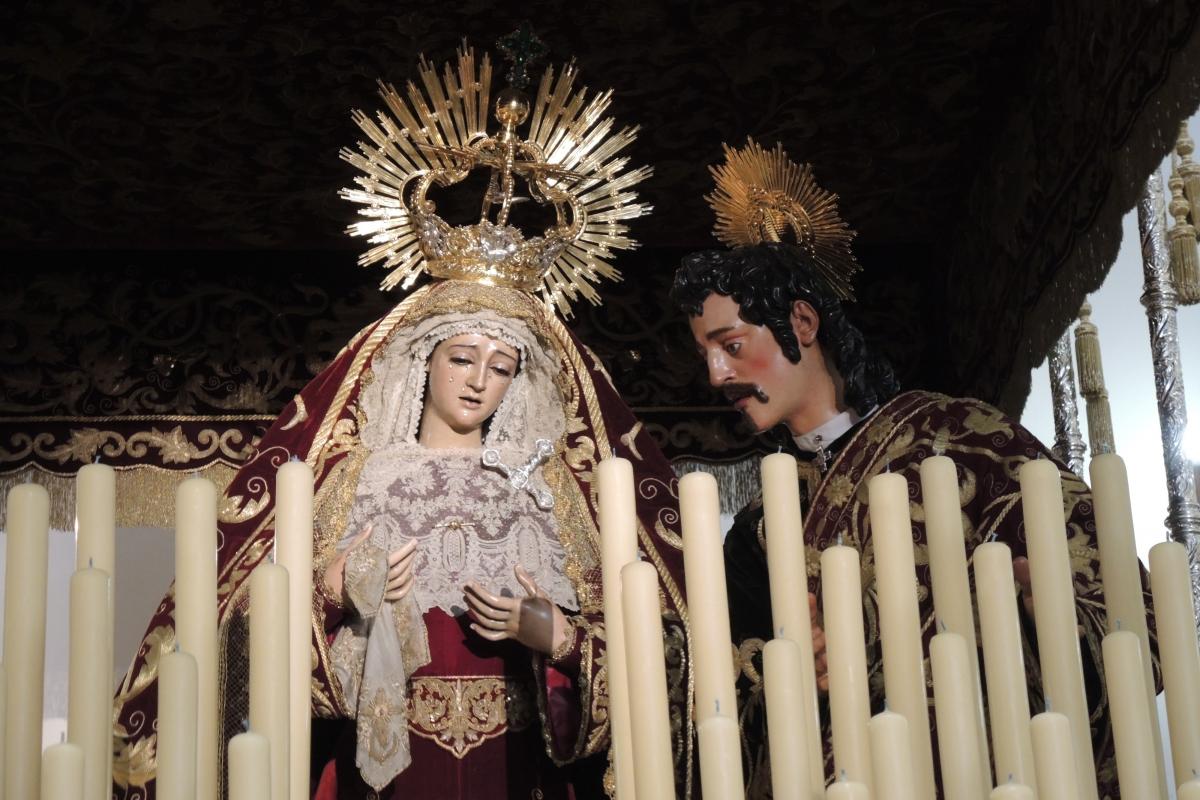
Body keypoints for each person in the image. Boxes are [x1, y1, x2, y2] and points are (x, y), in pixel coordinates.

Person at [112, 38, 697, 800]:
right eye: (462, 358)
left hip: (518, 777)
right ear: (423, 361)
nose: (479, 382)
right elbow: (239, 636)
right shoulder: (352, 478)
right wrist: (330, 587)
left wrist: (551, 635)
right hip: (383, 776)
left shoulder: (556, 495)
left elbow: (662, 660)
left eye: (502, 366)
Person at [669, 139, 1160, 798]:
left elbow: (1117, 605)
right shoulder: (759, 533)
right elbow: (724, 680)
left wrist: (1039, 612)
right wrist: (782, 667)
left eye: (730, 346)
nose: (717, 375)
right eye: (706, 355)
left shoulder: (959, 440)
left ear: (803, 323)